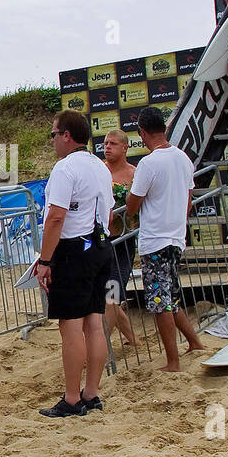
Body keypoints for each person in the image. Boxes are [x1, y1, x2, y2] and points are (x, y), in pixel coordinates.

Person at [35, 110, 113, 418]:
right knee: (94, 323)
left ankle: (71, 398)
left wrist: (45, 260)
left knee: (71, 327)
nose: (53, 141)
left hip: (73, 248)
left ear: (67, 135)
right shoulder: (100, 166)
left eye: (54, 134)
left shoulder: (65, 168)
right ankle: (91, 393)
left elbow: (56, 216)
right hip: (99, 243)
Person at [125, 107, 205, 372]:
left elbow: (132, 206)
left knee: (160, 303)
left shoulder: (149, 163)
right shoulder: (183, 158)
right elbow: (189, 198)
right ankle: (194, 342)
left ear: (142, 132)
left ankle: (173, 361)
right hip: (175, 236)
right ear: (165, 128)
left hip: (156, 239)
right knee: (171, 296)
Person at [101, 129, 138, 349]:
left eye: (112, 144)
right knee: (107, 295)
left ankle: (100, 346)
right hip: (102, 241)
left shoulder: (134, 174)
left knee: (112, 295)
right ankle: (134, 340)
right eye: (105, 143)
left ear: (125, 147)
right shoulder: (99, 171)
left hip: (123, 241)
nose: (107, 147)